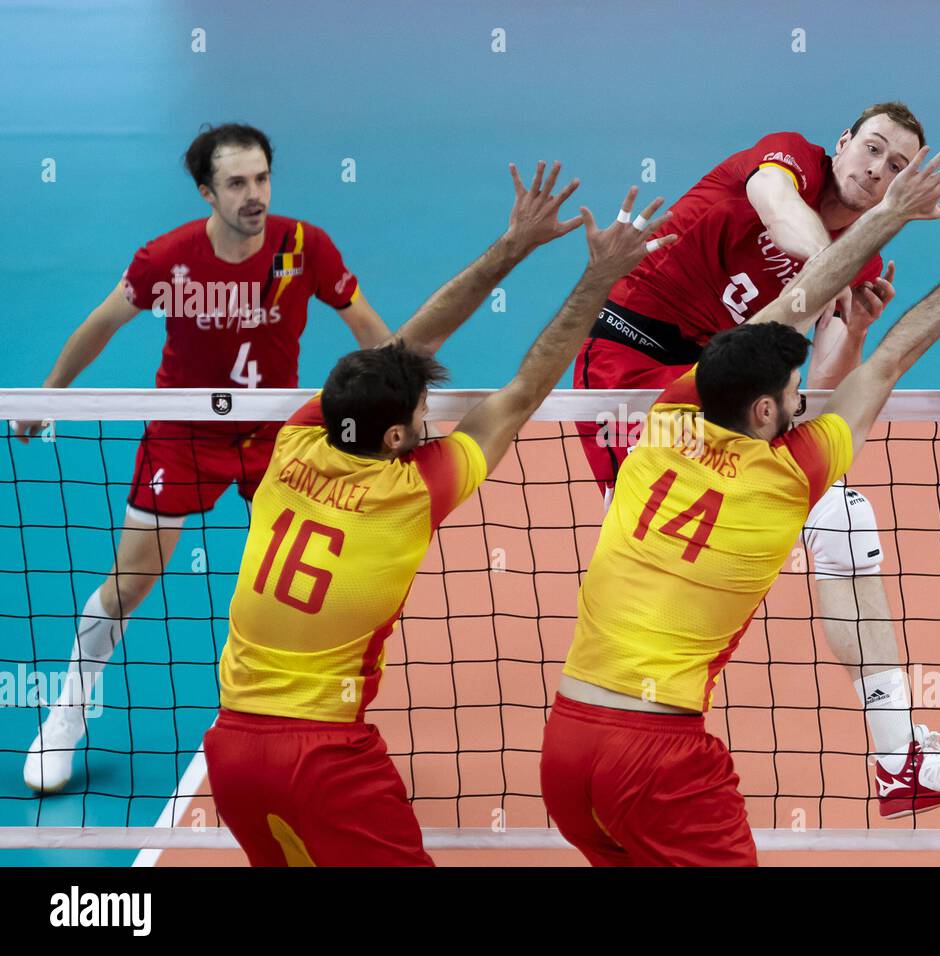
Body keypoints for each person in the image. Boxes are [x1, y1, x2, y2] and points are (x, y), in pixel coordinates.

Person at [541, 144, 940, 864]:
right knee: (839, 515)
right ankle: (900, 759)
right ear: (765, 415)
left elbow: (797, 319)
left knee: (838, 519)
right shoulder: (788, 478)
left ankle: (902, 759)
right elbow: (889, 359)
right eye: (792, 399)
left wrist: (853, 302)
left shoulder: (670, 418)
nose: (802, 405)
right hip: (659, 752)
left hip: (568, 748)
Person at [203, 165, 676, 865]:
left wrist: (512, 244)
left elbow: (404, 351)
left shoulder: (296, 441)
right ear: (395, 440)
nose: (430, 425)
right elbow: (522, 391)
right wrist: (598, 277)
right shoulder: (413, 490)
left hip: (232, 751)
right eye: (421, 418)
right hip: (324, 756)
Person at [19, 124, 392, 793]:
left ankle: (319, 720)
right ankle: (66, 715)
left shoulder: (303, 246)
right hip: (186, 431)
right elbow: (104, 322)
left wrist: (404, 404)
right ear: (206, 191)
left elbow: (366, 326)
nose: (254, 196)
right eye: (237, 183)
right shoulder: (168, 259)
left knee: (312, 582)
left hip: (276, 434)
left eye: (262, 179)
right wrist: (48, 397)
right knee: (132, 582)